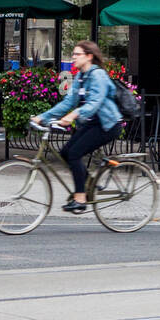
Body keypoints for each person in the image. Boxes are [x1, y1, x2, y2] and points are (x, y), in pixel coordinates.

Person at [31, 41, 122, 213]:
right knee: (65, 152)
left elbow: (95, 102)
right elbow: (68, 102)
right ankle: (88, 184)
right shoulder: (81, 76)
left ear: (89, 56)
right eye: (73, 54)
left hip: (107, 124)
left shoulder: (98, 75)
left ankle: (80, 198)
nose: (73, 57)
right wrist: (42, 118)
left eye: (77, 54)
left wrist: (74, 115)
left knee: (74, 153)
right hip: (91, 123)